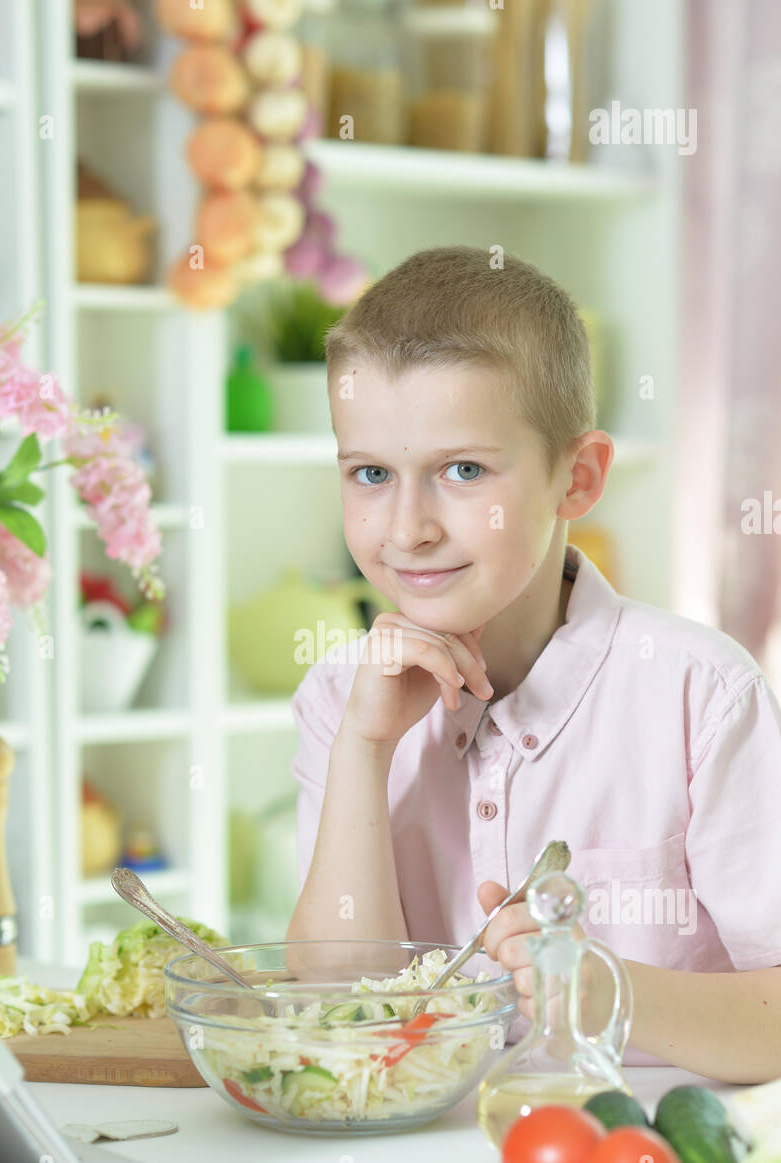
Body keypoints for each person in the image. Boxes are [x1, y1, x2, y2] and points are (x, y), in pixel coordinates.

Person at [287, 244, 781, 1084]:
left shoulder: (700, 694)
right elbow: (340, 1004)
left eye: (462, 471)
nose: (407, 529)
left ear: (577, 478)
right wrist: (363, 753)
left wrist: (605, 990)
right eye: (371, 473)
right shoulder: (340, 699)